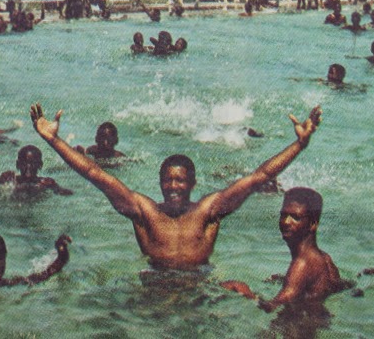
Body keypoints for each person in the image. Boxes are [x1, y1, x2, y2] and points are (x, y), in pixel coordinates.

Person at [29, 103, 322, 271]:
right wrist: (52, 140)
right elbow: (94, 173)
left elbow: (259, 176)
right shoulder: (143, 210)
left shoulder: (210, 210)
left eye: (180, 179)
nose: (173, 186)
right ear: (159, 182)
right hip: (154, 287)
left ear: (193, 183)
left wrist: (299, 145)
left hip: (198, 287)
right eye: (167, 179)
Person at [220, 187, 352, 312]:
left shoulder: (302, 264)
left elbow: (271, 307)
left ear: (313, 224)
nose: (286, 222)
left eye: (296, 217)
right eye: (283, 215)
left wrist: (245, 292)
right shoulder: (324, 257)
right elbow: (336, 286)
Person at [0, 145, 74, 196]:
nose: (28, 167)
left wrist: (54, 186)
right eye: (24, 163)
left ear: (40, 165)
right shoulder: (10, 181)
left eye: (33, 163)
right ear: (18, 165)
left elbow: (68, 193)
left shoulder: (45, 183)